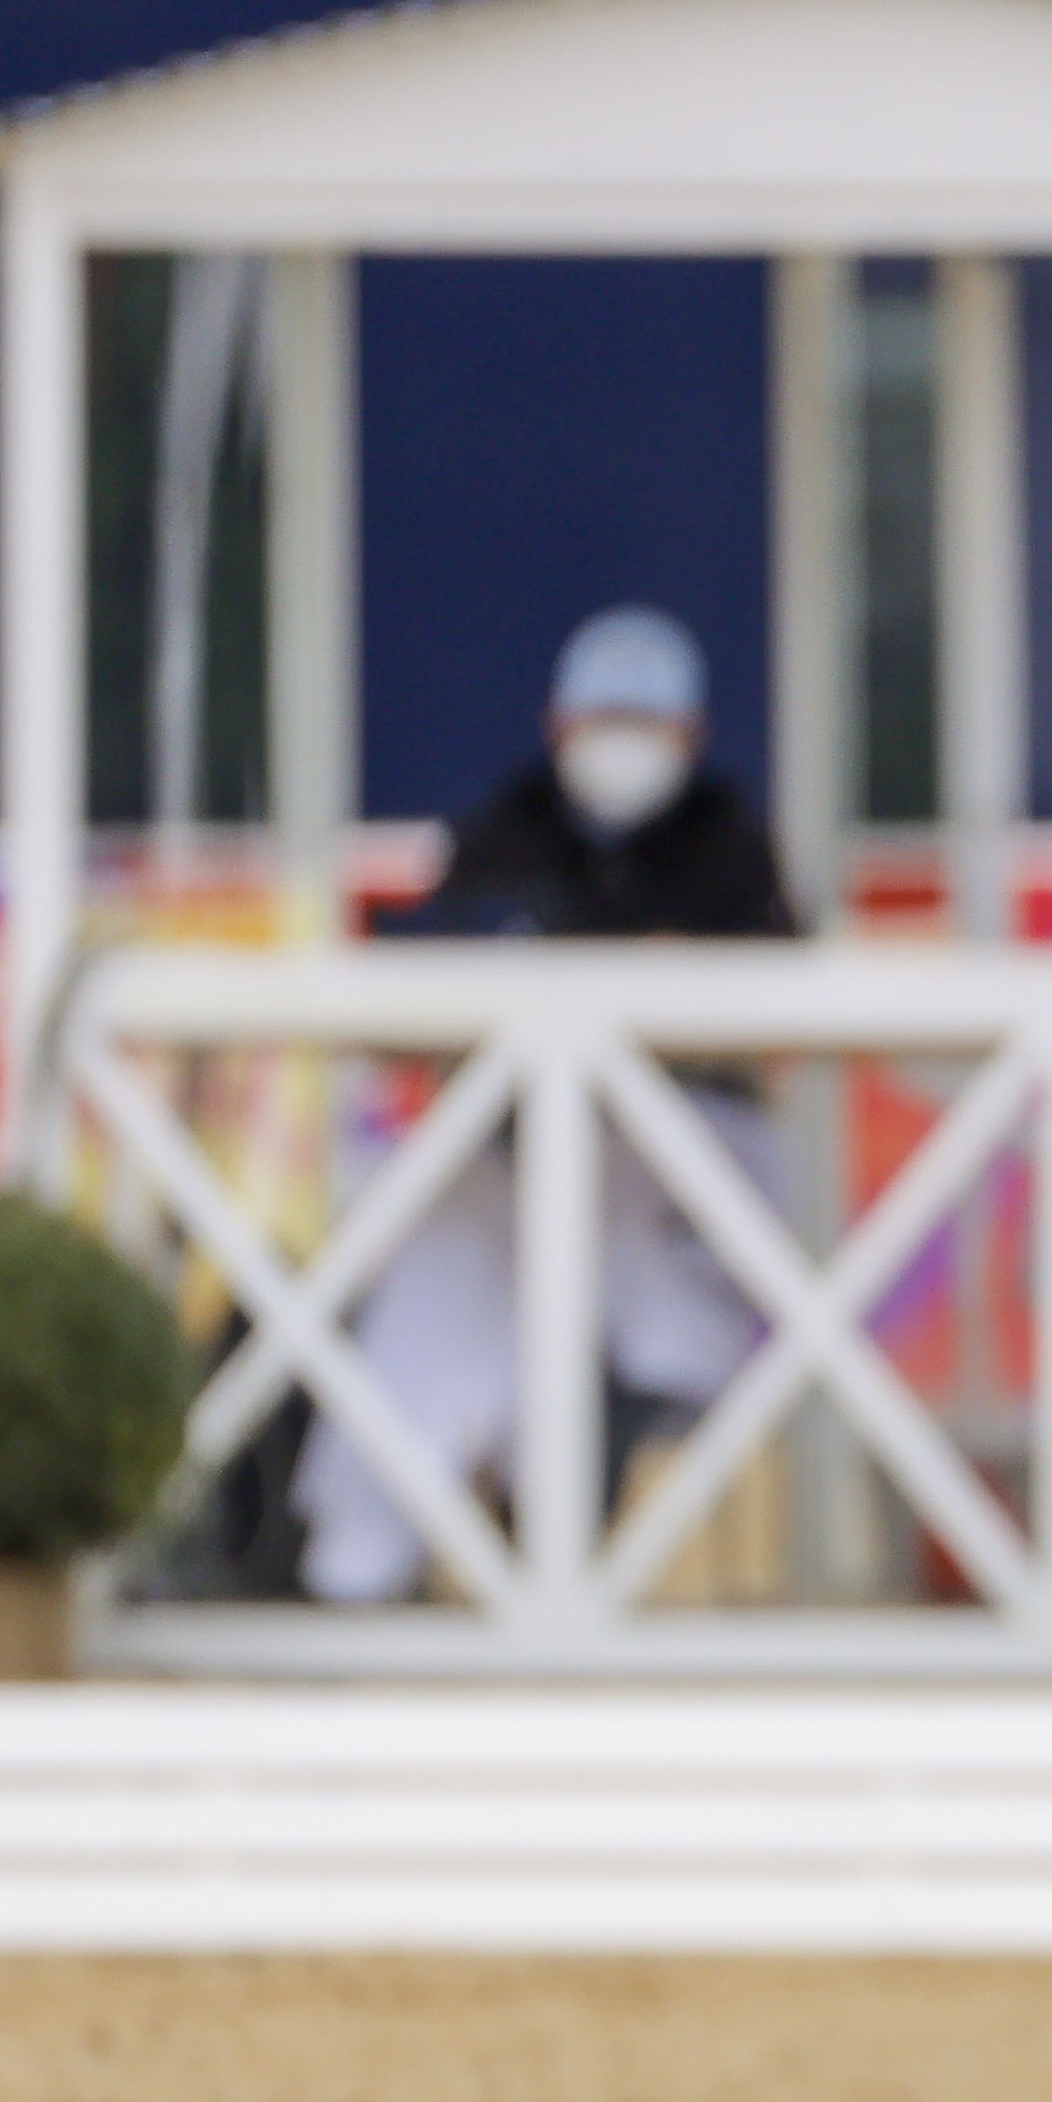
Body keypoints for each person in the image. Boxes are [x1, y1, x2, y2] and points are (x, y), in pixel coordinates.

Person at [293, 606, 801, 1604]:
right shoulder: (510, 827)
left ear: (689, 736)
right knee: (444, 1249)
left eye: (641, 720)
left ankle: (543, 1529)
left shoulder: (729, 844)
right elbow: (426, 988)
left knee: (604, 1241)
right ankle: (353, 1569)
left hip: (678, 1183)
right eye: (599, 717)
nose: (618, 742)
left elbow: (777, 1023)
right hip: (514, 1173)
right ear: (556, 726)